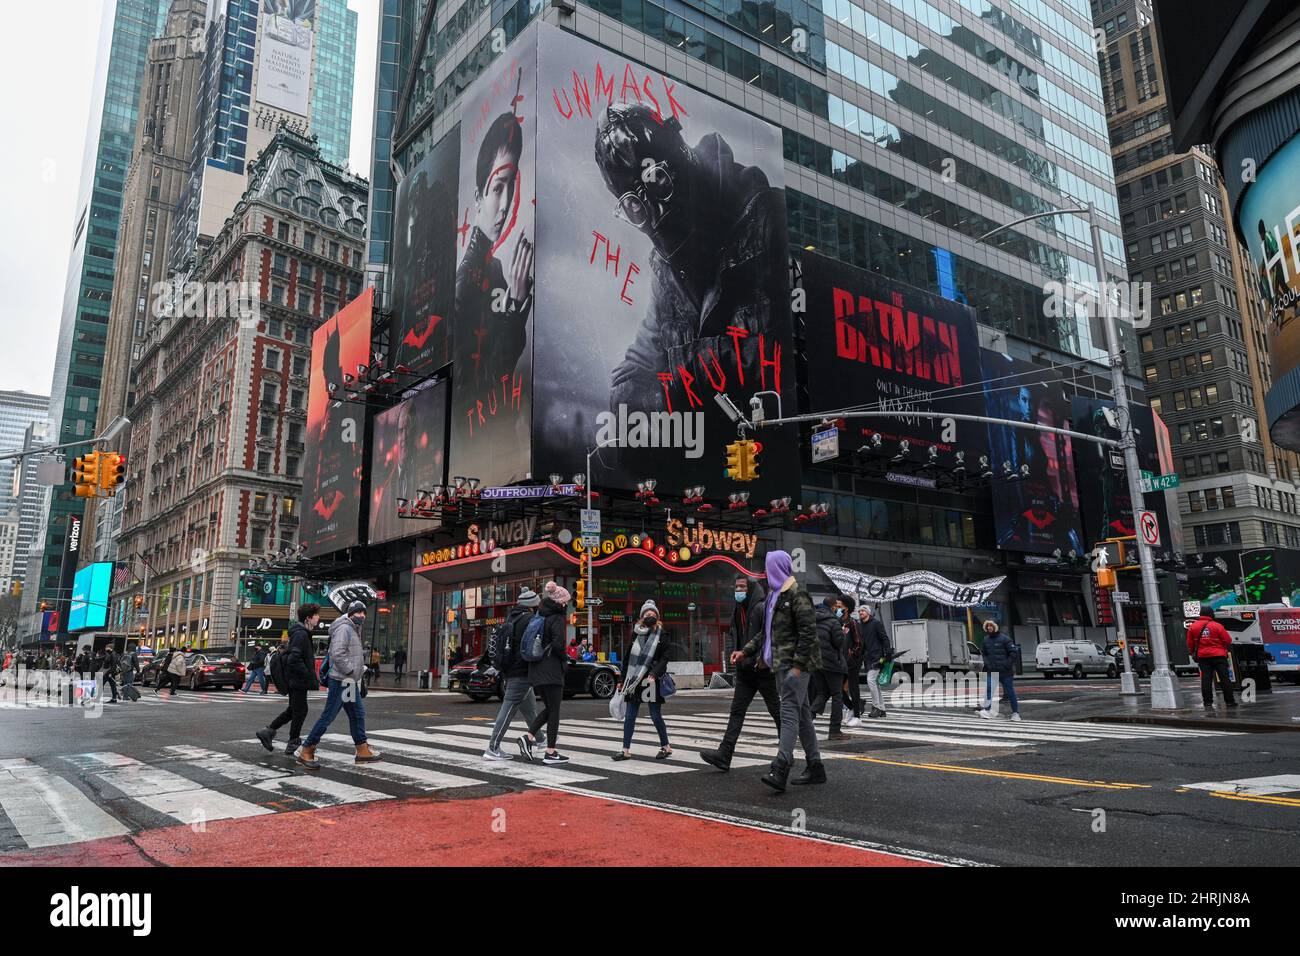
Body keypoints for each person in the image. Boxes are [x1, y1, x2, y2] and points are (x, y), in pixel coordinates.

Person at [732, 550, 823, 791]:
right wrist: (746, 651)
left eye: (768, 566)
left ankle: (780, 767)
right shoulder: (774, 596)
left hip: (796, 666)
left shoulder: (797, 594)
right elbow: (767, 634)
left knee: (789, 712)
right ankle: (816, 767)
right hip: (782, 665)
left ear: (778, 567)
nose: (765, 571)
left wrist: (797, 667)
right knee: (802, 715)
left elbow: (808, 633)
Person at [702, 576, 780, 771]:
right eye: (736, 586)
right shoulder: (738, 609)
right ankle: (724, 755)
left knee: (777, 712)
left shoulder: (761, 608)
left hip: (762, 670)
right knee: (737, 711)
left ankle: (785, 753)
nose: (738, 590)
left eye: (742, 587)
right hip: (745, 671)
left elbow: (769, 636)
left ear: (751, 588)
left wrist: (763, 659)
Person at [298, 602, 381, 769]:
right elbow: (337, 653)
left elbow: (351, 654)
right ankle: (307, 749)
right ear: (350, 614)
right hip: (341, 680)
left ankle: (362, 749)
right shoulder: (344, 628)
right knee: (328, 716)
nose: (362, 616)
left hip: (348, 681)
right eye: (358, 613)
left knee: (357, 713)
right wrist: (350, 670)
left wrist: (359, 670)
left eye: (364, 613)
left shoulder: (353, 629)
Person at [482, 587, 544, 761]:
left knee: (529, 709)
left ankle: (541, 739)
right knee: (508, 709)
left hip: (510, 670)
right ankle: (492, 748)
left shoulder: (512, 617)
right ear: (533, 605)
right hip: (521, 671)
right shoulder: (531, 620)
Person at [258, 603, 323, 756]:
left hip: (296, 680)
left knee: (294, 710)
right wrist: (307, 673)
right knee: (300, 711)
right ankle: (293, 742)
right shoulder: (301, 634)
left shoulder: (301, 633)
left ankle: (268, 732)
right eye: (316, 615)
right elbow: (294, 658)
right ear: (308, 618)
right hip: (298, 680)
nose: (318, 618)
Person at [519, 581, 572, 765]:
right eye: (565, 601)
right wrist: (565, 660)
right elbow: (558, 644)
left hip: (537, 669)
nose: (566, 605)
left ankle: (529, 737)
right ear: (559, 602)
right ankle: (550, 752)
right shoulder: (556, 617)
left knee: (550, 709)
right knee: (555, 711)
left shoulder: (540, 614)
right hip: (551, 669)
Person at [613, 600, 673, 761]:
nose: (650, 616)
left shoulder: (662, 634)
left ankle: (666, 747)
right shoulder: (636, 633)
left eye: (653, 614)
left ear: (658, 617)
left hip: (650, 680)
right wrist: (621, 679)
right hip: (633, 680)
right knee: (630, 715)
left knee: (654, 715)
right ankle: (625, 750)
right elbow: (627, 658)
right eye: (647, 614)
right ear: (641, 617)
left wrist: (654, 673)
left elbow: (665, 658)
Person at [809, 596, 849, 741]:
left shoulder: (812, 619)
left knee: (822, 693)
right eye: (837, 607)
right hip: (832, 663)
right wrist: (843, 634)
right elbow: (839, 643)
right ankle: (834, 730)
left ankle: (807, 721)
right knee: (837, 696)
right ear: (832, 608)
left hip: (816, 663)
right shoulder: (834, 622)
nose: (838, 609)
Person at [1186, 605, 1237, 711]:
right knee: (1224, 679)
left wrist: (1193, 653)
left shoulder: (1193, 627)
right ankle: (1230, 701)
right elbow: (1228, 640)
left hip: (1203, 657)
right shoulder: (1217, 626)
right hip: (1219, 656)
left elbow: (1190, 643)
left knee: (1206, 679)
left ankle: (1208, 702)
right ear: (1211, 614)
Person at [977, 620, 1021, 721]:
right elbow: (983, 653)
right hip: (992, 671)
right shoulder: (985, 640)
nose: (988, 628)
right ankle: (986, 711)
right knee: (989, 690)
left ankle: (1015, 714)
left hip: (1006, 672)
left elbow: (1013, 653)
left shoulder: (1005, 639)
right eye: (987, 626)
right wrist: (987, 663)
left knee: (1010, 692)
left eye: (990, 626)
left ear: (995, 627)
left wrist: (1006, 664)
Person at [858, 604, 891, 719]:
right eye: (859, 611)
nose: (861, 612)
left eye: (863, 611)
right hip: (868, 658)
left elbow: (884, 638)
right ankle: (882, 709)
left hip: (877, 656)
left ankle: (876, 707)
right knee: (875, 683)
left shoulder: (875, 623)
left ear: (868, 612)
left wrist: (887, 653)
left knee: (870, 680)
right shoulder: (860, 626)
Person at [840, 595, 864, 727]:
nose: (837, 609)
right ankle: (852, 707)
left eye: (840, 607)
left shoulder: (853, 623)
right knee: (838, 689)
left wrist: (851, 655)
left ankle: (857, 717)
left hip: (852, 662)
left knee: (853, 688)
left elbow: (859, 643)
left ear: (847, 608)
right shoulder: (838, 621)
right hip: (840, 661)